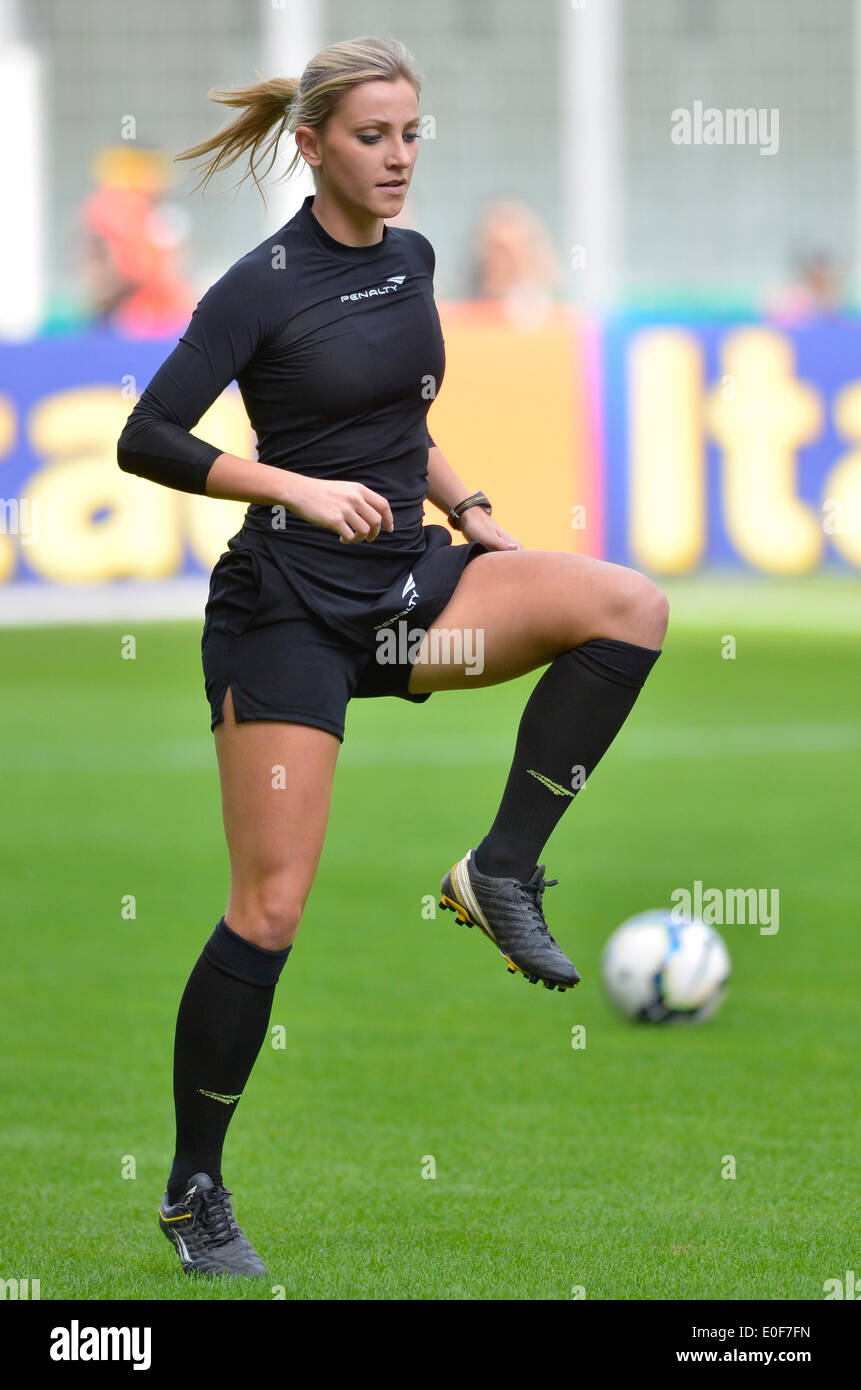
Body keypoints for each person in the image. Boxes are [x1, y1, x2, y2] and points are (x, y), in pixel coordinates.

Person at [116, 35, 668, 1280]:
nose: (401, 157)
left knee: (626, 605)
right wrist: (299, 489)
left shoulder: (413, 259)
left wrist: (472, 509)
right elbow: (145, 437)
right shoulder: (257, 285)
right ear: (310, 146)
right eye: (374, 136)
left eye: (413, 133)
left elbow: (400, 425)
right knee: (271, 907)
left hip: (408, 583)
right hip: (285, 609)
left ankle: (499, 870)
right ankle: (195, 1188)